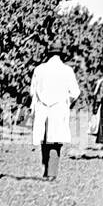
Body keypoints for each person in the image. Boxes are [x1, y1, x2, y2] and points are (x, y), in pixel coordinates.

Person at [29, 45, 80, 180]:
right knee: (56, 141)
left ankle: (45, 168)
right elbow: (75, 92)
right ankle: (52, 171)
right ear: (60, 55)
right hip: (59, 109)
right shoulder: (67, 70)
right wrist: (67, 101)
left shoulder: (39, 70)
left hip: (42, 108)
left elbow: (32, 91)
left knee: (44, 139)